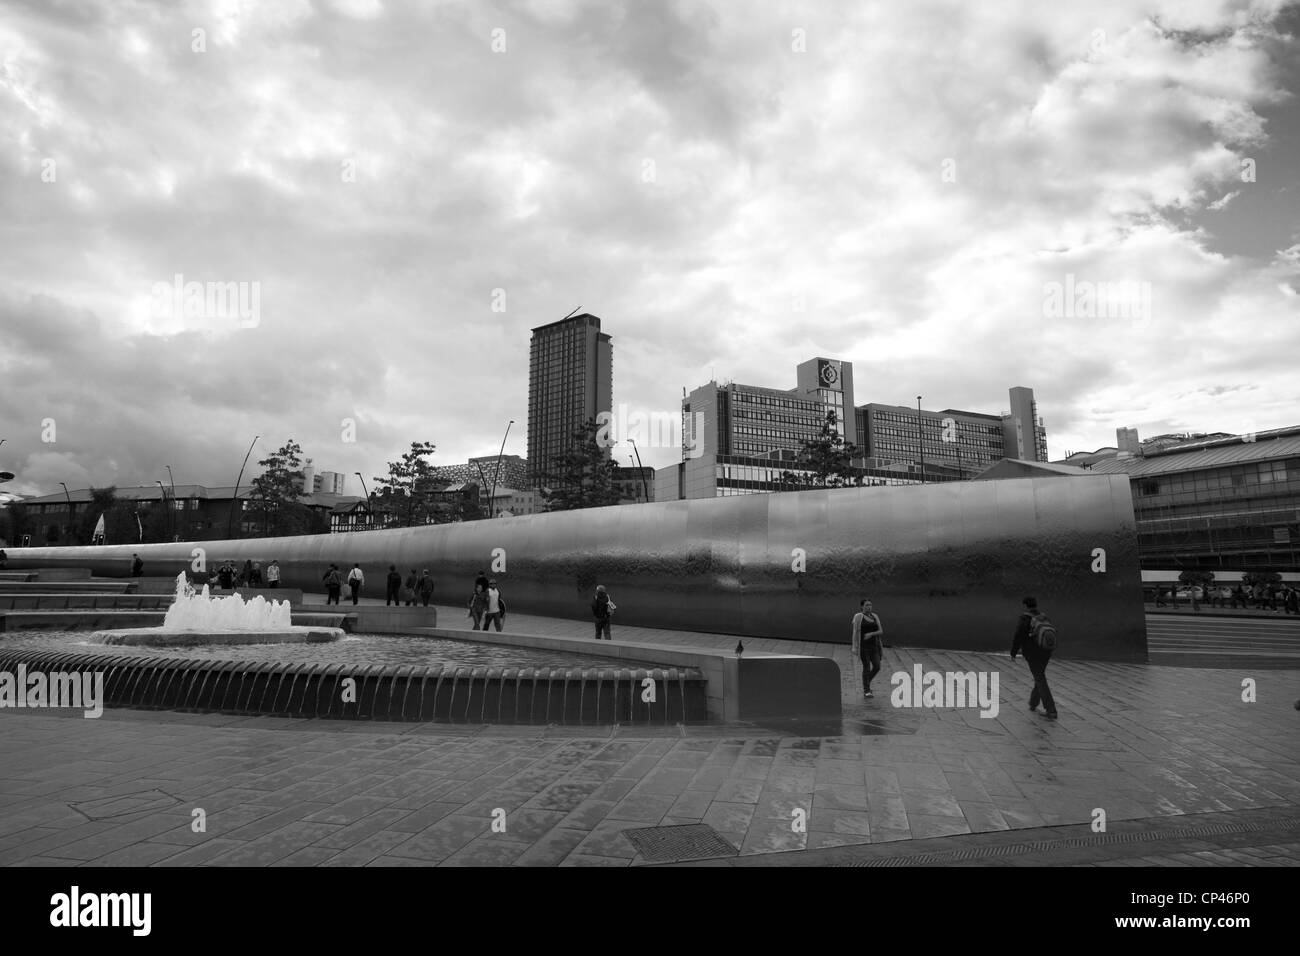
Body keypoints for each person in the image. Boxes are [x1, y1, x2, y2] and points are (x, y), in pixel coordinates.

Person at [1011, 596, 1058, 720]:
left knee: (1039, 678)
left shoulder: (1025, 618)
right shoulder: (1043, 617)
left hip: (1033, 652)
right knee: (1040, 675)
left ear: (1025, 605)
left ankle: (1051, 710)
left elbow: (1018, 635)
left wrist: (1013, 652)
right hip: (1046, 651)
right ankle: (1033, 703)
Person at [851, 598, 884, 698]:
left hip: (874, 646)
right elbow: (855, 632)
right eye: (866, 605)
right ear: (862, 606)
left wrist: (871, 634)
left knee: (877, 667)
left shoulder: (875, 616)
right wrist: (854, 647)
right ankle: (867, 690)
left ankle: (866, 682)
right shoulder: (858, 616)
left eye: (870, 605)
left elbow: (881, 631)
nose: (869, 607)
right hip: (863, 647)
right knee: (866, 667)